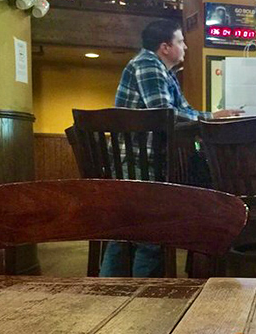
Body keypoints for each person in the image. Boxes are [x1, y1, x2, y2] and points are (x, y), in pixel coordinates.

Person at [100, 19, 242, 277]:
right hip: (138, 161)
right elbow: (165, 114)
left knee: (125, 232)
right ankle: (143, 294)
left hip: (142, 161)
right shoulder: (148, 65)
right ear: (165, 47)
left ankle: (112, 290)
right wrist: (212, 117)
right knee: (151, 231)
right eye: (180, 41)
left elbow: (183, 111)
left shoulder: (164, 72)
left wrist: (213, 115)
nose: (185, 46)